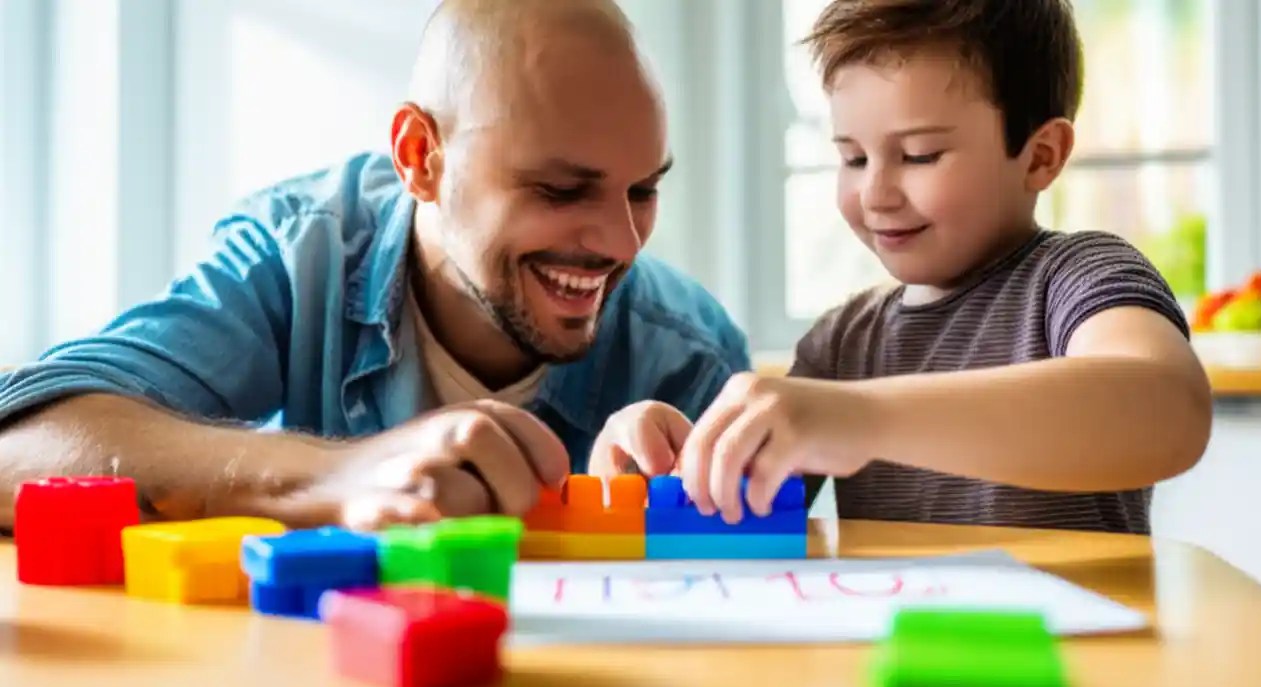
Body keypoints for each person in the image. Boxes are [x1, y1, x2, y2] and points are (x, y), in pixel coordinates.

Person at [0, 0, 748, 531]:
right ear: (421, 159)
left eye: (644, 189)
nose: (621, 243)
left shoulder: (688, 354)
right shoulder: (298, 257)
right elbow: (23, 443)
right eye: (558, 189)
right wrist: (341, 474)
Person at [588, 0, 1213, 534]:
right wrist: (673, 463)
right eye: (854, 158)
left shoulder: (1078, 277)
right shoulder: (841, 343)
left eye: (918, 154)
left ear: (1040, 155)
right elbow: (735, 514)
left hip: (1076, 667)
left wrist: (863, 418)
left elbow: (1169, 411)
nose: (876, 193)